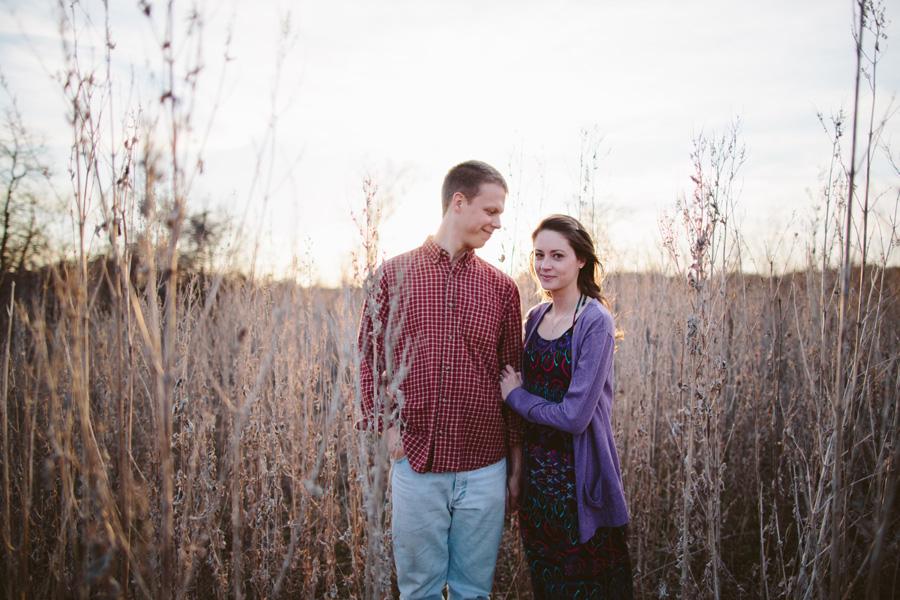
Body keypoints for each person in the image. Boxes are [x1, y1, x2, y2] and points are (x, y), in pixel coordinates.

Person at [357, 160, 524, 599]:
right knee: (419, 591)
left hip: (485, 466)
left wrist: (514, 466)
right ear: (458, 202)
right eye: (490, 211)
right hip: (417, 464)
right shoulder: (393, 275)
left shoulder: (502, 288)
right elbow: (370, 359)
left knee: (472, 592)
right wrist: (388, 427)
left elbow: (513, 381)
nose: (497, 223)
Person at [499, 214, 633, 599]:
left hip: (579, 484)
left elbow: (574, 417)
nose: (545, 265)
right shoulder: (534, 317)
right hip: (537, 487)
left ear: (580, 261)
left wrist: (516, 397)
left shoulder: (595, 322)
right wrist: (517, 473)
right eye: (539, 255)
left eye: (557, 255)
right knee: (547, 586)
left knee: (587, 588)